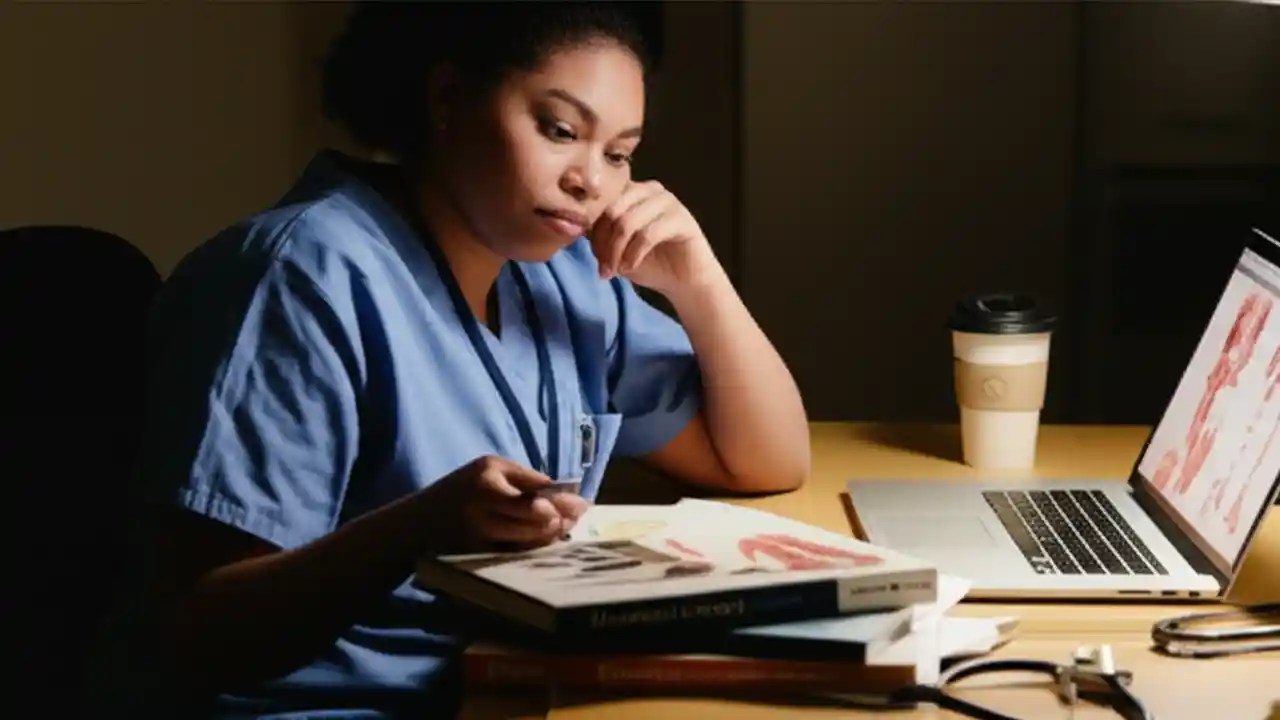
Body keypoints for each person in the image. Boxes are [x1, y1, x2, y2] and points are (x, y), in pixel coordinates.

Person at [89, 2, 810, 717]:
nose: (591, 180)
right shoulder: (298, 279)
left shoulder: (560, 277)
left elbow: (767, 459)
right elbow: (199, 632)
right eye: (560, 131)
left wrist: (701, 282)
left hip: (504, 689)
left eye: (618, 154)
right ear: (447, 98)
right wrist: (420, 528)